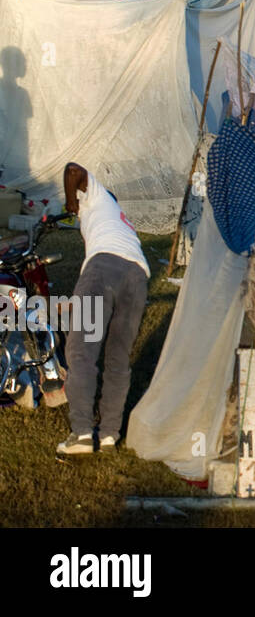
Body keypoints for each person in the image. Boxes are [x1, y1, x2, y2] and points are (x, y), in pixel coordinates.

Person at [56, 163, 150, 456]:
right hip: (138, 276)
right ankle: (109, 435)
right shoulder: (120, 221)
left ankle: (82, 433)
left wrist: (72, 201)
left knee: (81, 352)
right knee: (118, 360)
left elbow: (73, 170)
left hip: (102, 269)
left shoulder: (99, 197)